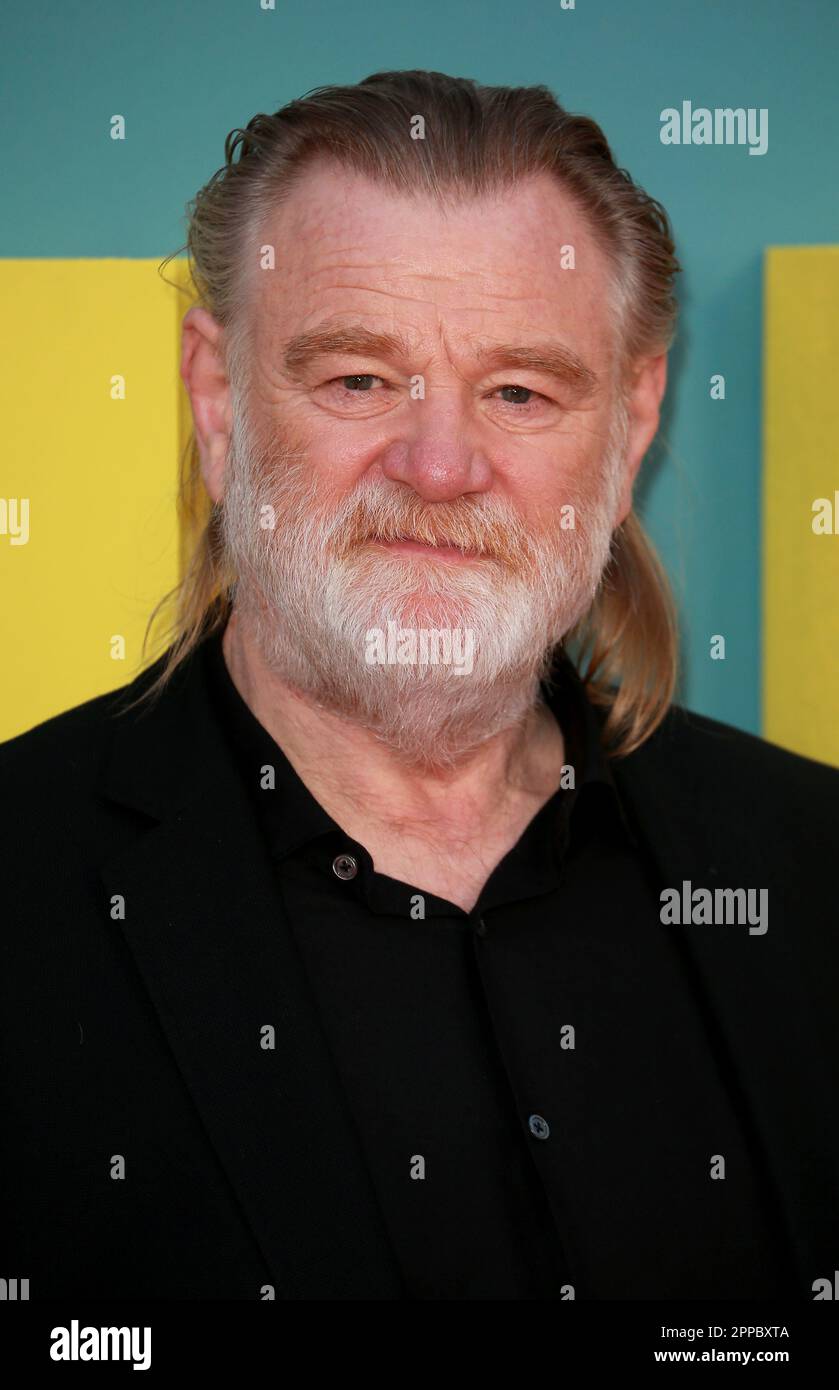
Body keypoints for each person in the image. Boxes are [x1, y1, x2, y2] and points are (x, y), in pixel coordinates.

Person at [2, 70, 838, 1301]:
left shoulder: (811, 864)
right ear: (216, 397)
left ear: (632, 422)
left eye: (517, 390)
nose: (440, 465)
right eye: (356, 378)